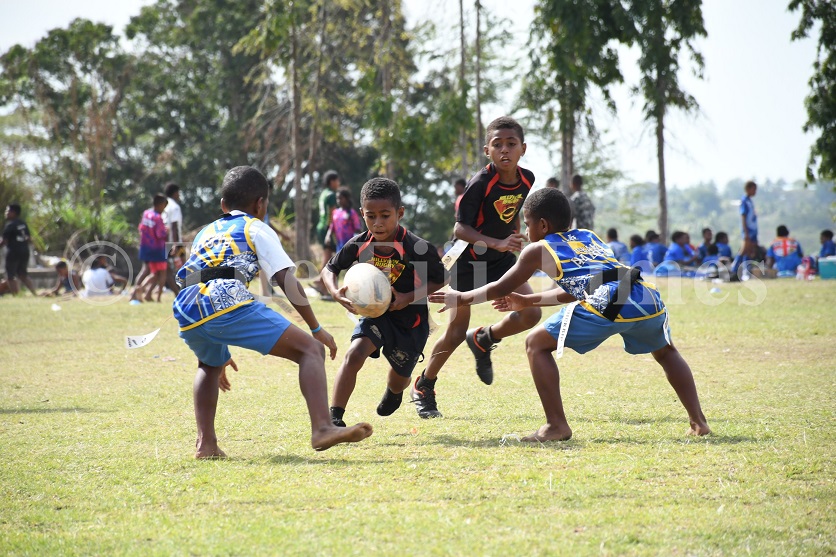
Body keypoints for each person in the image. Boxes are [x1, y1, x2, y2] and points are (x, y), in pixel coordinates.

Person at [428, 187, 711, 441]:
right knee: (666, 352)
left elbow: (501, 286)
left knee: (536, 343)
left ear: (542, 225)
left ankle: (556, 426)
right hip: (643, 293)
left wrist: (461, 297)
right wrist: (527, 300)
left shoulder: (538, 249)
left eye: (527, 224)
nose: (526, 230)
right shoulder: (588, 236)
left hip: (610, 300)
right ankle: (699, 422)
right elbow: (584, 288)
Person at [173, 166, 372, 458]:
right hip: (225, 300)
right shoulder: (256, 227)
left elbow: (199, 273)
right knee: (311, 350)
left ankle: (206, 444)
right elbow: (285, 279)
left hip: (186, 305)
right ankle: (322, 428)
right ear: (260, 204)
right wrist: (316, 329)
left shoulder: (206, 231)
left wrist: (216, 346)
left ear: (223, 205)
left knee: (209, 365)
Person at [411, 116, 541, 419]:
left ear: (523, 148)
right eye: (498, 144)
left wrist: (513, 236)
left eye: (511, 144)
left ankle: (485, 338)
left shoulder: (527, 179)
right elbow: (460, 229)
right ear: (487, 151)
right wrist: (496, 242)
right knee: (456, 332)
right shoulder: (480, 183)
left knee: (531, 312)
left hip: (500, 258)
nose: (505, 150)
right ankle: (424, 384)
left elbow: (509, 213)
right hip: (467, 260)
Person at [322, 178, 447, 426]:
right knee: (354, 354)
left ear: (400, 213)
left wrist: (408, 297)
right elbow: (329, 269)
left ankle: (396, 390)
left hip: (411, 323)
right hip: (375, 316)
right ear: (362, 214)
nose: (377, 223)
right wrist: (335, 291)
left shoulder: (417, 247)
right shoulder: (359, 244)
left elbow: (442, 278)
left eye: (385, 215)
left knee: (399, 380)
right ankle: (334, 419)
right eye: (371, 216)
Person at [130, 193, 168, 302]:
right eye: (164, 206)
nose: (164, 209)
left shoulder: (146, 213)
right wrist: (167, 231)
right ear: (160, 204)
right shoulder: (158, 217)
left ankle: (136, 294)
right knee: (162, 272)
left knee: (146, 271)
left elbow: (141, 228)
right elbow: (160, 234)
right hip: (157, 249)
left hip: (145, 247)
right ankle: (157, 297)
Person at [311, 170, 341, 296]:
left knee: (327, 255)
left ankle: (321, 283)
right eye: (337, 180)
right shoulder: (332, 195)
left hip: (321, 226)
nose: (338, 183)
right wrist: (334, 230)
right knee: (330, 256)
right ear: (331, 181)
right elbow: (333, 214)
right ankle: (321, 282)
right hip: (328, 228)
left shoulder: (323, 193)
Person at [0, 204, 38, 296]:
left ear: (13, 213)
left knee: (10, 275)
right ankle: (34, 293)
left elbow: (4, 241)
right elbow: (29, 239)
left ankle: (16, 295)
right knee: (23, 274)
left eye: (8, 211)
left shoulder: (10, 225)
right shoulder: (23, 223)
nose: (6, 213)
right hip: (25, 251)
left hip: (13, 252)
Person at [730, 180, 758, 278]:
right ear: (748, 189)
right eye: (754, 189)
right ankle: (733, 269)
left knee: (749, 251)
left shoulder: (750, 201)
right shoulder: (744, 201)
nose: (755, 191)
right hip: (748, 230)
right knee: (743, 250)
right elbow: (743, 217)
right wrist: (745, 232)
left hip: (753, 230)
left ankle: (747, 271)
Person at [162, 182, 184, 296]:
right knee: (185, 267)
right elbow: (174, 226)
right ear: (175, 193)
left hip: (165, 242)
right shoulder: (174, 207)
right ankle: (185, 291)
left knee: (167, 270)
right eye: (178, 192)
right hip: (175, 242)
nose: (179, 195)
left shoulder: (164, 206)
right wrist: (176, 244)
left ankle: (177, 293)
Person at [328, 187, 362, 252]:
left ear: (347, 199)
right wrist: (328, 236)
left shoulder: (352, 213)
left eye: (341, 198)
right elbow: (332, 227)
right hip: (339, 245)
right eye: (337, 198)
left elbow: (357, 229)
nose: (338, 200)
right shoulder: (335, 212)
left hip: (350, 246)